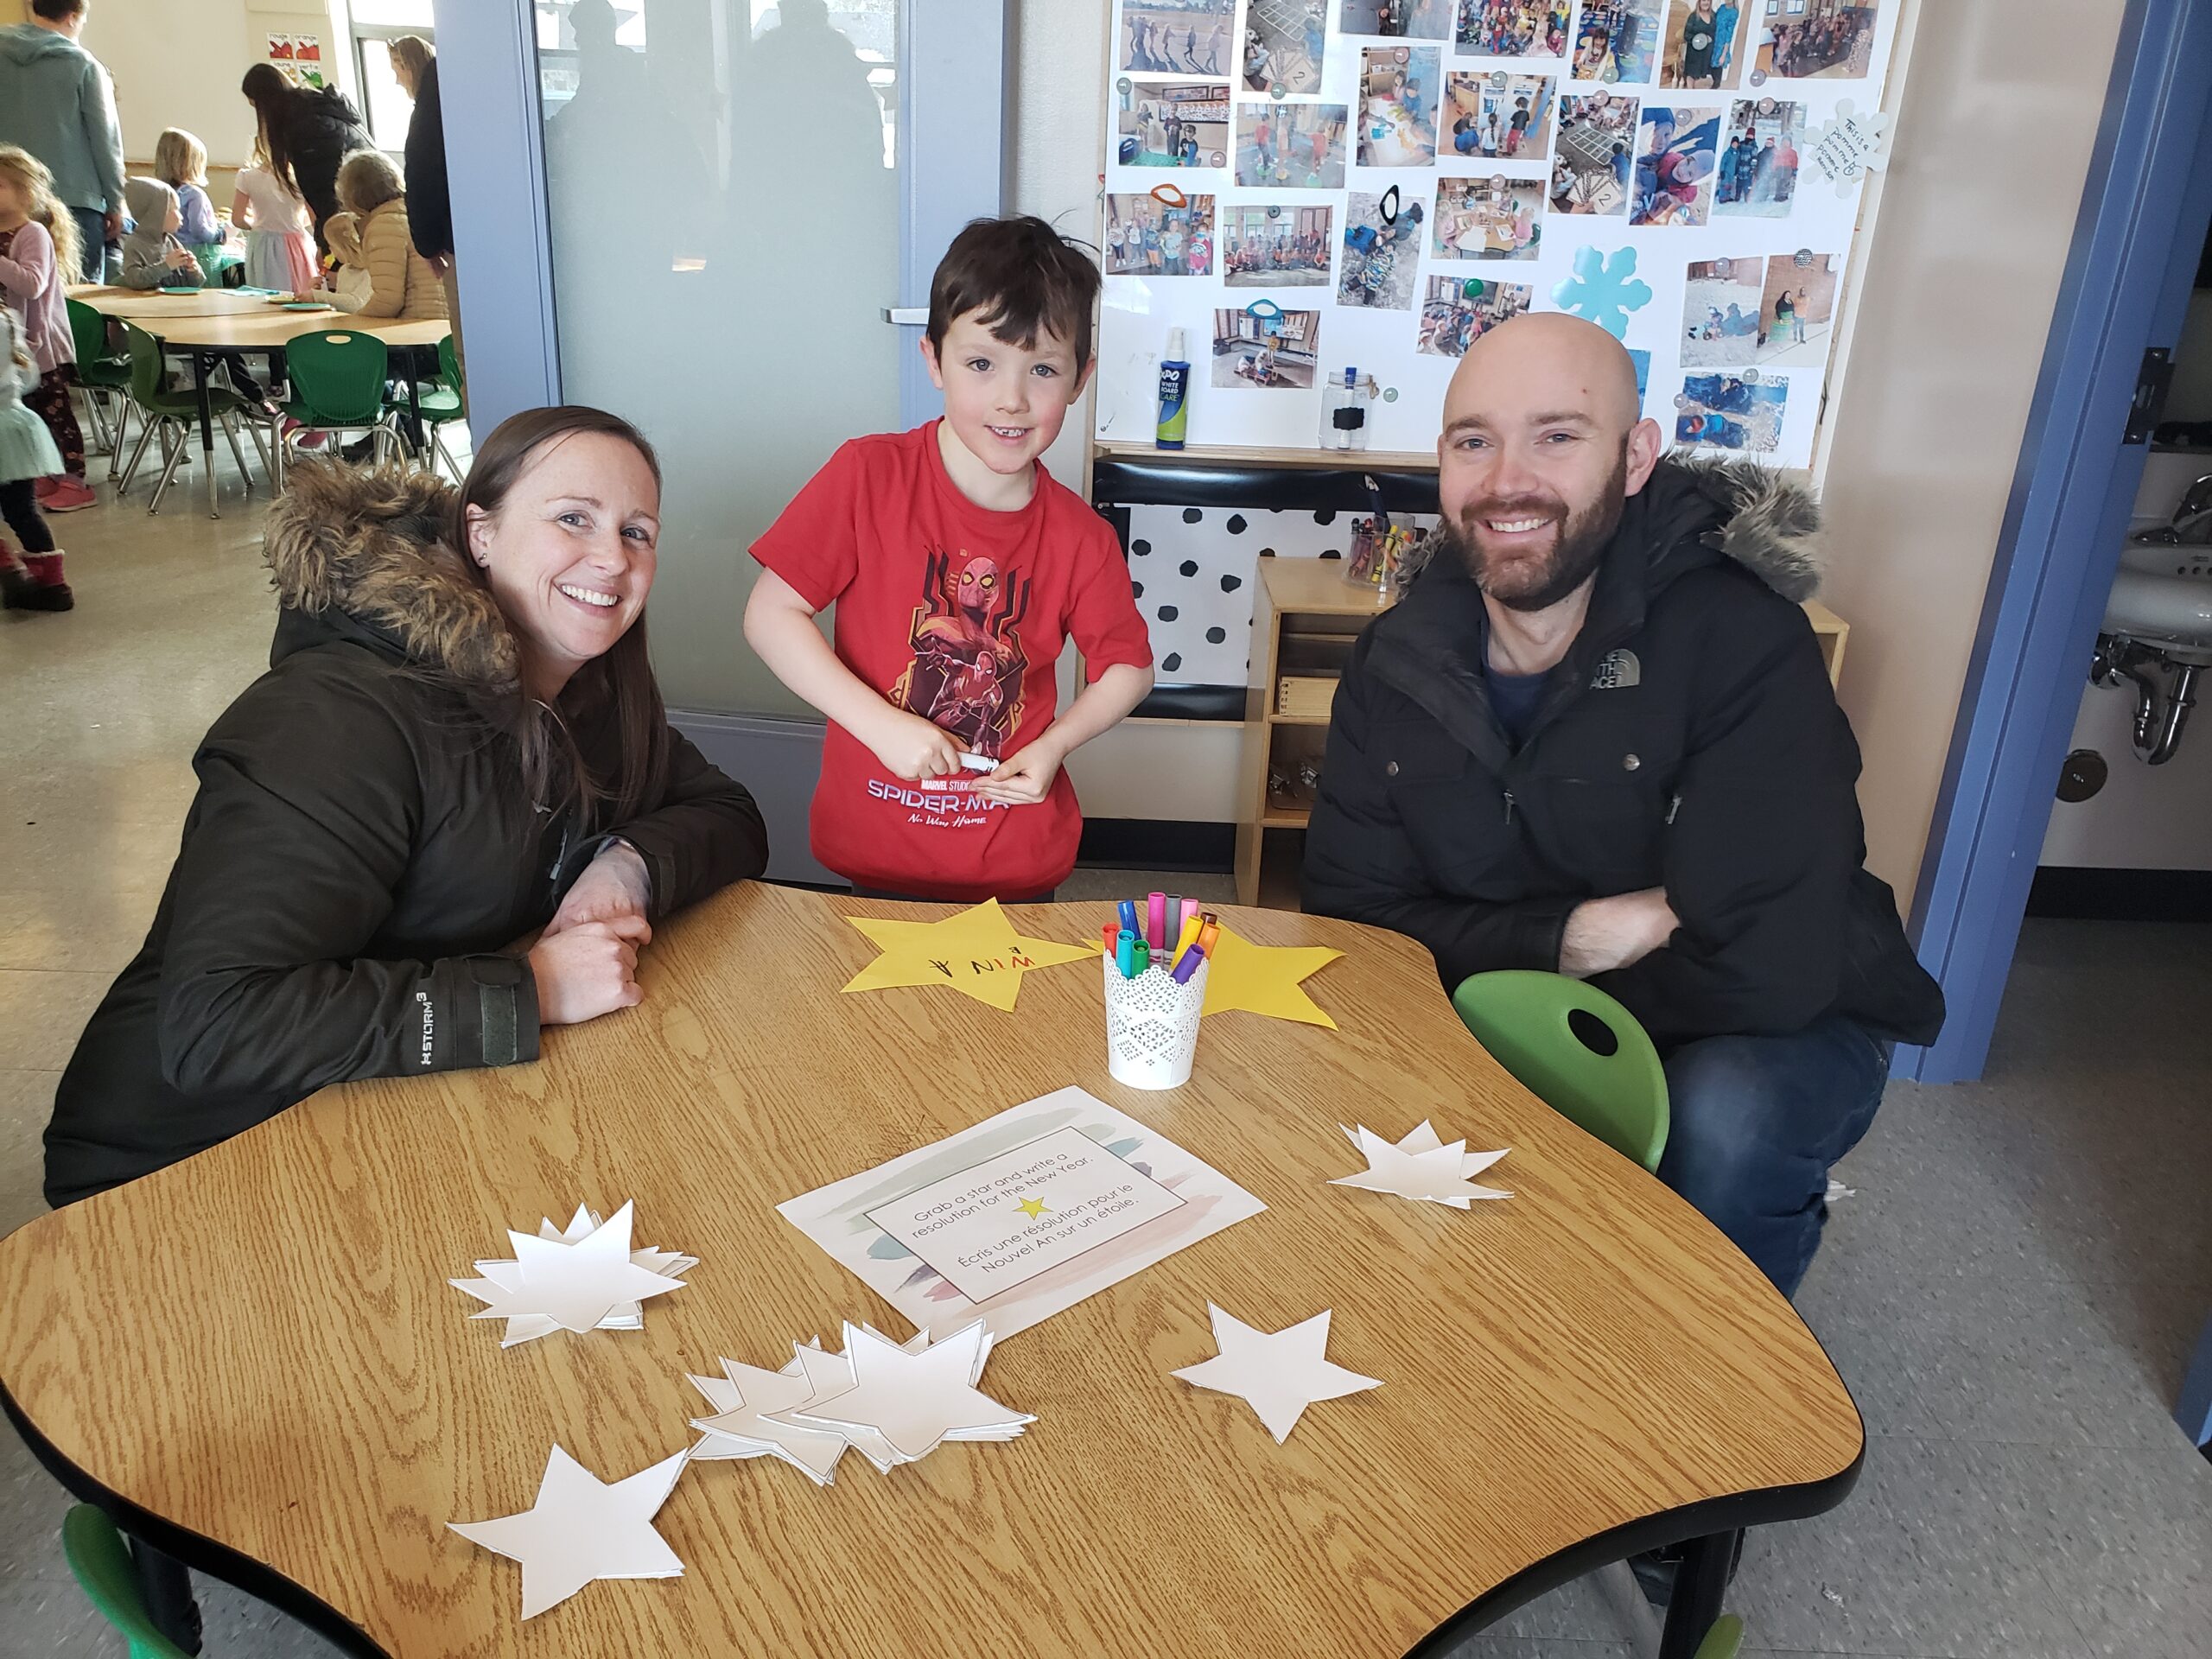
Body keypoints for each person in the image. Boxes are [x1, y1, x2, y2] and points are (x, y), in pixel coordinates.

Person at [1305, 313, 1943, 1312]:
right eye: (1474, 441)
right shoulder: (1398, 658)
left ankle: (1716, 1357)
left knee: (1724, 1124)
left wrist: (1538, 1028)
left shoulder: (1744, 641)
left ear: (1635, 456)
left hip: (1757, 1024)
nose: (1508, 479)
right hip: (1525, 983)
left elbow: (1768, 964)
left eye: (1557, 436)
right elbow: (1355, 925)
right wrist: (1580, 938)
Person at [48, 404, 769, 1210]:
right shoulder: (335, 716)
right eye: (574, 518)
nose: (611, 558)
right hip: (189, 1155)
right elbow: (220, 1026)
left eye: (637, 532)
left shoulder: (588, 693)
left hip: (398, 1107)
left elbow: (727, 813)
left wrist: (625, 868)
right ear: (481, 533)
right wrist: (529, 990)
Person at [744, 215, 1154, 902]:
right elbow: (770, 614)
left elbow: (1129, 668)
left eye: (1043, 369)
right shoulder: (867, 476)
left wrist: (1053, 746)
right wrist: (880, 726)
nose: (1012, 400)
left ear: (1080, 380)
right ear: (934, 360)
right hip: (875, 848)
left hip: (1016, 862)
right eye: (981, 364)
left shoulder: (1082, 537)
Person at [0, 0, 124, 282]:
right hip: (76, 201)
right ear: (72, 17)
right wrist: (115, 202)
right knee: (81, 294)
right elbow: (105, 141)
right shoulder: (85, 65)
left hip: (7, 199)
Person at [0, 144, 92, 514]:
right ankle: (46, 471)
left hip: (43, 346)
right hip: (12, 349)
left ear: (25, 192)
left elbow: (31, 285)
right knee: (30, 413)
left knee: (57, 415)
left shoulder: (32, 233)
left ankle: (75, 481)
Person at [238, 61, 372, 253]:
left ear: (267, 104)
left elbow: (324, 195)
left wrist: (326, 246)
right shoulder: (320, 109)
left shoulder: (308, 130)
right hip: (367, 203)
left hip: (356, 212)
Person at [387, 35, 460, 377]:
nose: (396, 80)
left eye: (397, 70)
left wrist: (428, 245)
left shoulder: (432, 102)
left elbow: (421, 173)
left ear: (408, 66)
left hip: (459, 240)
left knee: (473, 355)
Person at [0, 296, 70, 611]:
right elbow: (29, 378)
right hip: (16, 424)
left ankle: (9, 570)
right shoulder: (8, 318)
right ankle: (54, 587)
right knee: (22, 511)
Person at [322, 149, 447, 321]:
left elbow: (388, 301)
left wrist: (352, 322)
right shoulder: (415, 214)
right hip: (441, 322)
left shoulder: (384, 225)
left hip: (414, 324)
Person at [231, 137, 317, 294]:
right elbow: (313, 219)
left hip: (262, 244)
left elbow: (237, 219)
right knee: (299, 291)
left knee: (263, 293)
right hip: (296, 243)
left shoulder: (247, 177)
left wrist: (258, 225)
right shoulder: (300, 179)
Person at [152, 128, 226, 274]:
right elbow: (199, 231)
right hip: (197, 256)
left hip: (168, 253)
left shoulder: (157, 191)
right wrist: (220, 235)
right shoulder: (195, 195)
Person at [117, 178, 204, 290]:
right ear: (158, 214)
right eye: (175, 209)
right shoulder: (135, 244)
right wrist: (166, 266)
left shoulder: (172, 242)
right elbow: (134, 280)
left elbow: (195, 284)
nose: (181, 216)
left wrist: (194, 270)